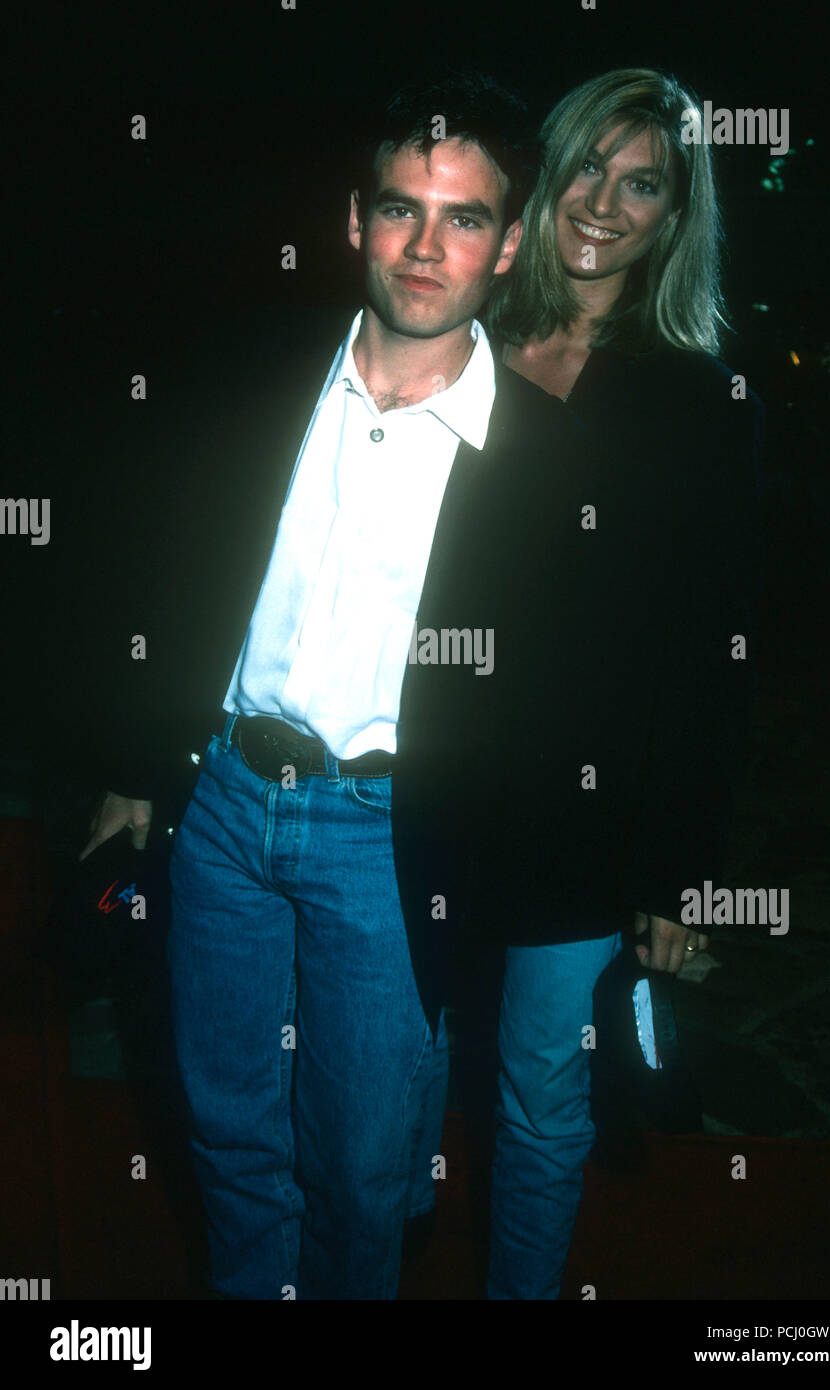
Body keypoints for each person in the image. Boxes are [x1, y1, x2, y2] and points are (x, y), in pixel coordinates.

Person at [77, 71, 593, 1300]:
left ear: (509, 244)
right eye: (402, 209)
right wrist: (134, 765)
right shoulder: (250, 376)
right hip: (222, 811)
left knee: (365, 1174)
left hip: (391, 841)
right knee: (231, 1141)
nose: (427, 246)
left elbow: (565, 702)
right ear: (356, 219)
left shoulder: (546, 461)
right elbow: (161, 576)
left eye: (464, 217)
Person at [478, 68, 765, 1299]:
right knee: (380, 1080)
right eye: (586, 166)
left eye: (640, 181)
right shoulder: (458, 343)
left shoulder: (697, 399)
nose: (602, 201)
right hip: (412, 792)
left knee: (539, 1098)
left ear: (674, 212)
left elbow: (710, 657)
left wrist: (679, 875)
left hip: (580, 821)